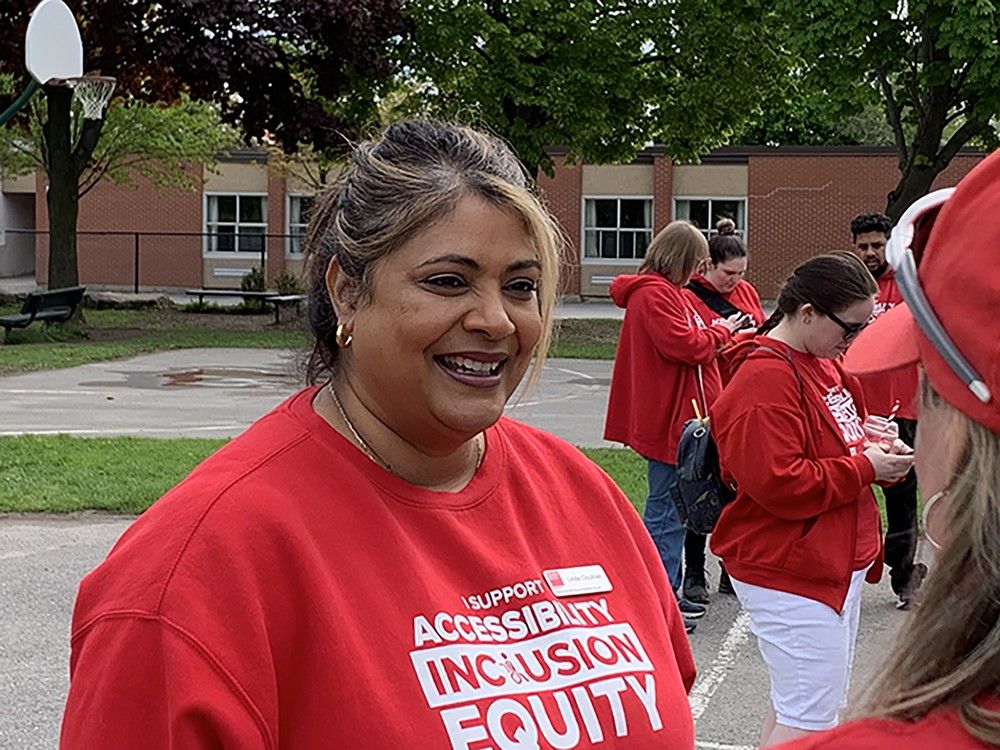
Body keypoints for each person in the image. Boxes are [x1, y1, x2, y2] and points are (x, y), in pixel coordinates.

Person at [60, 121, 699, 749]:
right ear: (347, 292)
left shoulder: (585, 497)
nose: (496, 319)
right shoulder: (191, 577)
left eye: (521, 286)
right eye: (448, 281)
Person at [774, 149, 1000, 749]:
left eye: (929, 382)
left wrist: (858, 457)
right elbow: (772, 473)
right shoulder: (770, 373)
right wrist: (862, 457)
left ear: (959, 439)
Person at [708, 252, 915, 747]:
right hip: (788, 564)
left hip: (826, 559)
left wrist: (868, 442)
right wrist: (866, 465)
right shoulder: (763, 379)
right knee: (813, 718)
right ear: (806, 314)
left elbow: (822, 447)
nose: (854, 340)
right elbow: (780, 482)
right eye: (849, 328)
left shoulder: (824, 365)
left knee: (803, 703)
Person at [604, 220, 746, 633]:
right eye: (696, 262)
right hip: (671, 418)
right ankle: (660, 598)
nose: (699, 271)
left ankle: (668, 592)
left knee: (673, 510)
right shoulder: (654, 294)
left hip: (681, 415)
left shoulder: (666, 293)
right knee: (666, 512)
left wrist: (717, 335)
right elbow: (685, 345)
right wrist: (720, 332)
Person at [680, 217, 765, 603]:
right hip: (709, 402)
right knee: (702, 485)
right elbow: (697, 345)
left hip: (744, 400)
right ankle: (695, 569)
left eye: (742, 273)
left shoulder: (745, 291)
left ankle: (731, 567)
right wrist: (728, 335)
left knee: (739, 488)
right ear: (708, 265)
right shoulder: (689, 296)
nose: (736, 281)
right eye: (729, 273)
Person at [848, 212, 925, 609]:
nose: (870, 253)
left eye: (876, 245)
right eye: (863, 246)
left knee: (902, 495)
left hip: (902, 408)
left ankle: (904, 571)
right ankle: (848, 570)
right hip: (855, 407)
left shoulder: (908, 283)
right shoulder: (847, 287)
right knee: (850, 490)